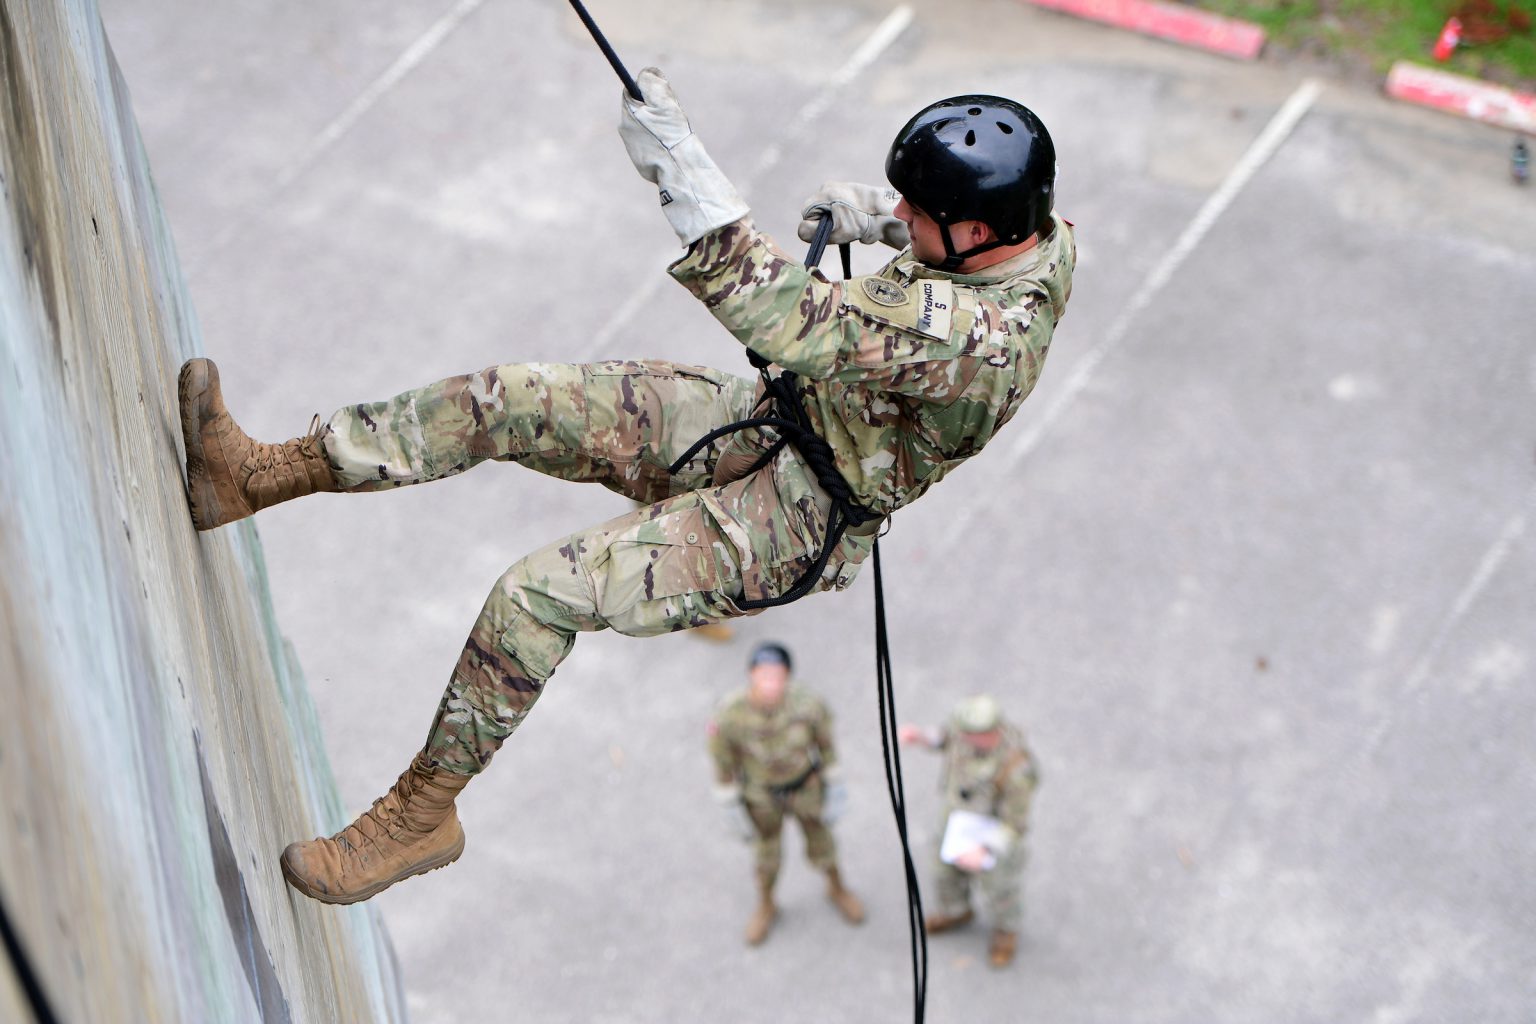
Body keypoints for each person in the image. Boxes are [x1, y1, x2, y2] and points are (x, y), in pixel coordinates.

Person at [176, 68, 1075, 905]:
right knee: (517, 400)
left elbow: (785, 317)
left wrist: (687, 179)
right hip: (784, 419)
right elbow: (905, 281)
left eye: (925, 215)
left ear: (980, 233)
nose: (911, 223)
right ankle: (256, 475)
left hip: (798, 517)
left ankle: (420, 818)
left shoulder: (971, 336)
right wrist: (882, 217)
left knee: (537, 597)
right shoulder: (1037, 241)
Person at [707, 642, 861, 944]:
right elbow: (723, 761)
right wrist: (729, 803)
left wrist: (836, 783)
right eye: (763, 674)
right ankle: (766, 905)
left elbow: (826, 744)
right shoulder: (730, 714)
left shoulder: (808, 704)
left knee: (823, 844)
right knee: (766, 857)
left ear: (787, 676)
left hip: (805, 787)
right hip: (761, 796)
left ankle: (837, 888)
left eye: (778, 675)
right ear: (751, 674)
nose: (770, 682)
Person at [898, 695, 1040, 968]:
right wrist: (920, 737)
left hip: (992, 833)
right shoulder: (962, 733)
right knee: (944, 874)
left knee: (1001, 892)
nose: (961, 738)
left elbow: (1016, 825)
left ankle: (1005, 934)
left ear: (990, 733)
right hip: (958, 820)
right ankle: (956, 912)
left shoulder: (1016, 768)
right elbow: (942, 737)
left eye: (970, 735)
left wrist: (984, 850)